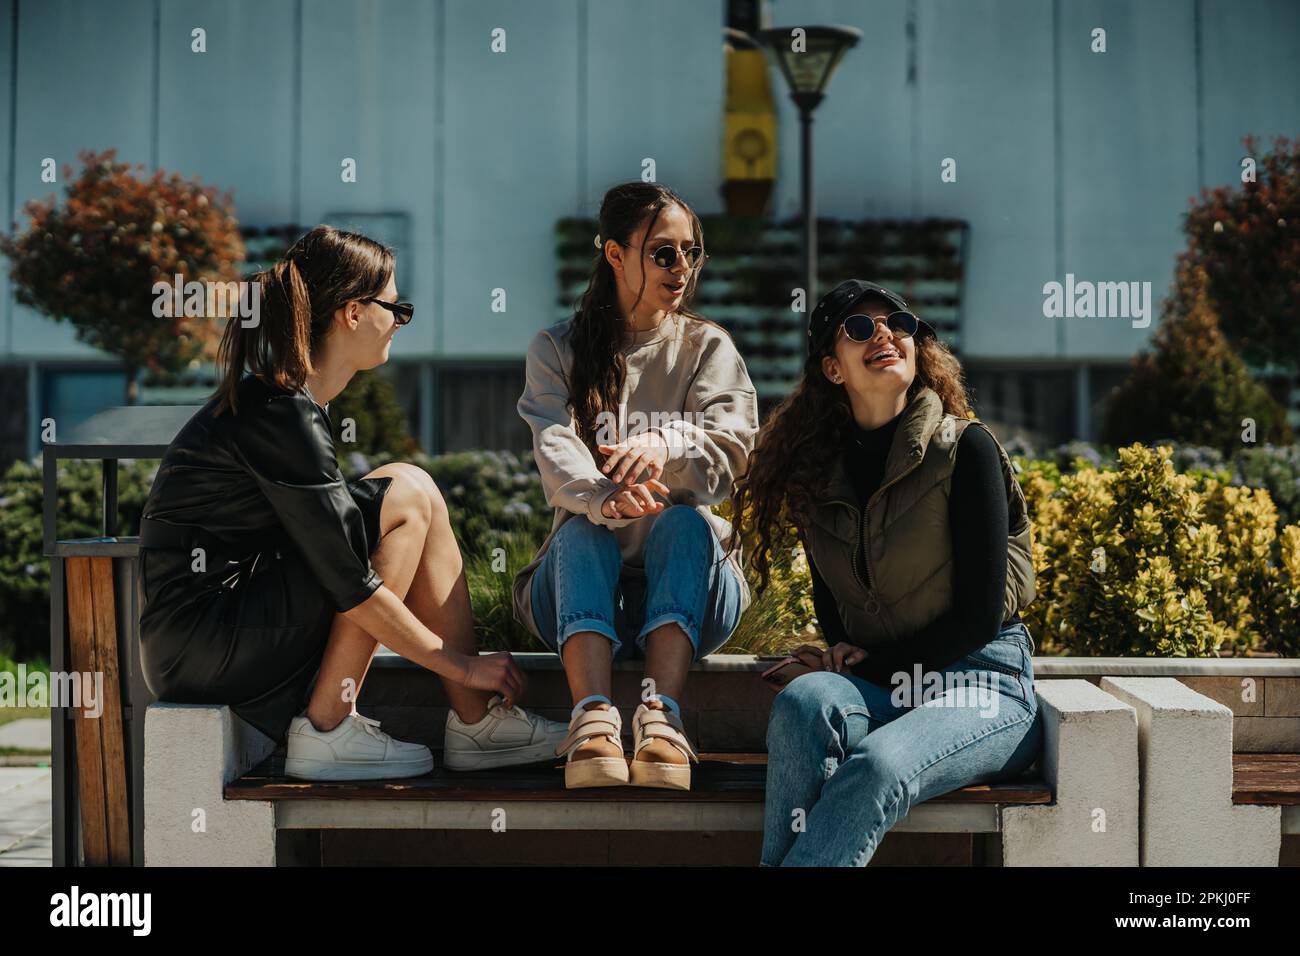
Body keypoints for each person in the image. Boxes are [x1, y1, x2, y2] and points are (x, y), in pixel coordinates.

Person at [137, 224, 566, 781]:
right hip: (206, 642)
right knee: (406, 494)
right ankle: (328, 729)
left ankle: (478, 726)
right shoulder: (281, 412)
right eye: (396, 307)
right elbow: (349, 581)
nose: (400, 323)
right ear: (352, 312)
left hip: (207, 638)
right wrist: (460, 666)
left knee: (409, 486)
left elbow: (338, 557)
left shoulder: (285, 403)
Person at [727, 278, 1043, 865]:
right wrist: (839, 657)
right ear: (832, 368)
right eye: (859, 328)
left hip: (982, 684)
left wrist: (873, 664)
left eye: (899, 324)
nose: (885, 335)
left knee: (877, 766)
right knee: (802, 703)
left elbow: (979, 613)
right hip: (884, 687)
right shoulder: (815, 480)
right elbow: (834, 606)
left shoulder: (964, 450)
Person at [514, 182, 759, 790]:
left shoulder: (707, 347)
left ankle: (661, 722)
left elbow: (732, 445)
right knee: (580, 530)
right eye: (663, 253)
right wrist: (600, 496)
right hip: (579, 592)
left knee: (684, 521)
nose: (682, 268)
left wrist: (666, 443)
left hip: (691, 592)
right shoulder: (557, 349)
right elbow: (553, 443)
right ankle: (593, 723)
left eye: (691, 253)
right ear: (616, 255)